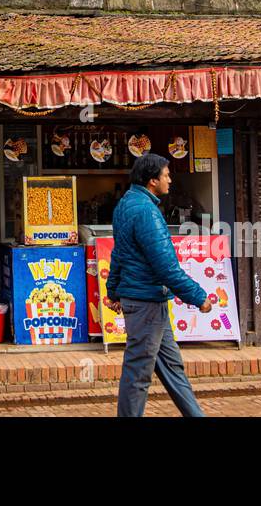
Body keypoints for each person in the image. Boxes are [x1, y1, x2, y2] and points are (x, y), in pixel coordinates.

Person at [105, 152, 210, 418]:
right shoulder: (147, 212)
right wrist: (198, 296)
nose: (170, 180)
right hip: (146, 304)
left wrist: (113, 289)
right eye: (166, 175)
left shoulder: (126, 205)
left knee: (172, 369)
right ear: (153, 180)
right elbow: (165, 266)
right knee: (138, 373)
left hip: (148, 303)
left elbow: (119, 254)